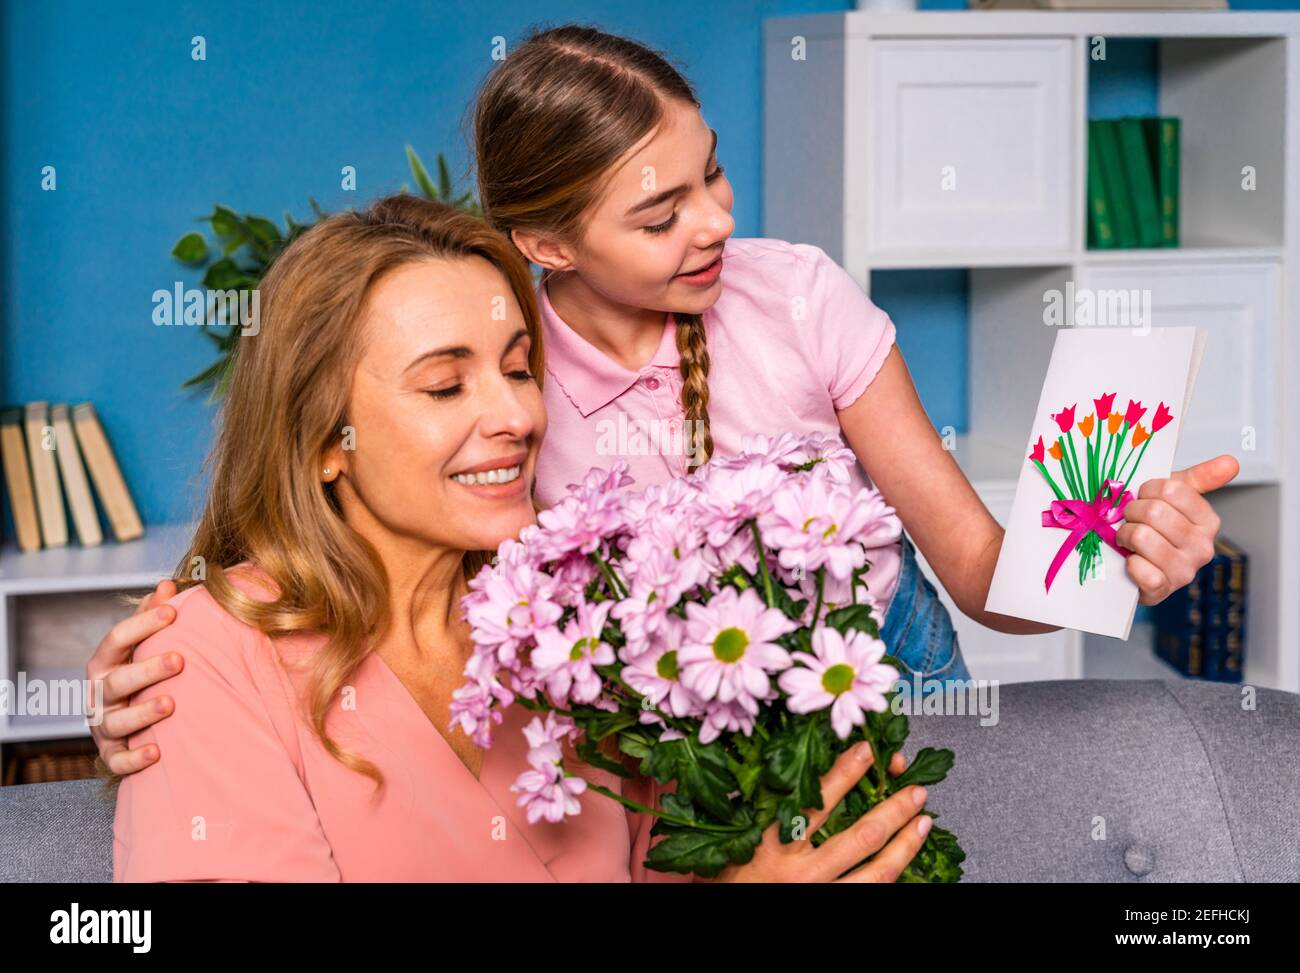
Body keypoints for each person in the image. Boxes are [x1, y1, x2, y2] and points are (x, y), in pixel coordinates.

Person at [106, 192, 932, 883]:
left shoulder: (574, 629)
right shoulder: (202, 659)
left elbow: (668, 865)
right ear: (324, 439)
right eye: (443, 384)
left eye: (516, 368)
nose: (514, 416)